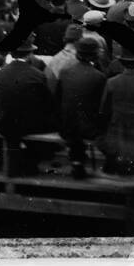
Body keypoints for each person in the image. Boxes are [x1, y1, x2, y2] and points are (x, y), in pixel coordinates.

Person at [0, 38, 56, 175]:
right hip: (31, 125)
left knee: (11, 130)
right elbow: (48, 104)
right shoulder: (37, 75)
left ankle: (12, 164)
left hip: (6, 123)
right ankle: (30, 164)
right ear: (30, 53)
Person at [56, 39, 106, 178]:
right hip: (88, 128)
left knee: (76, 122)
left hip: (67, 126)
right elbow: (102, 107)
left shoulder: (65, 72)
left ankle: (77, 162)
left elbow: (58, 99)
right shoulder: (99, 76)